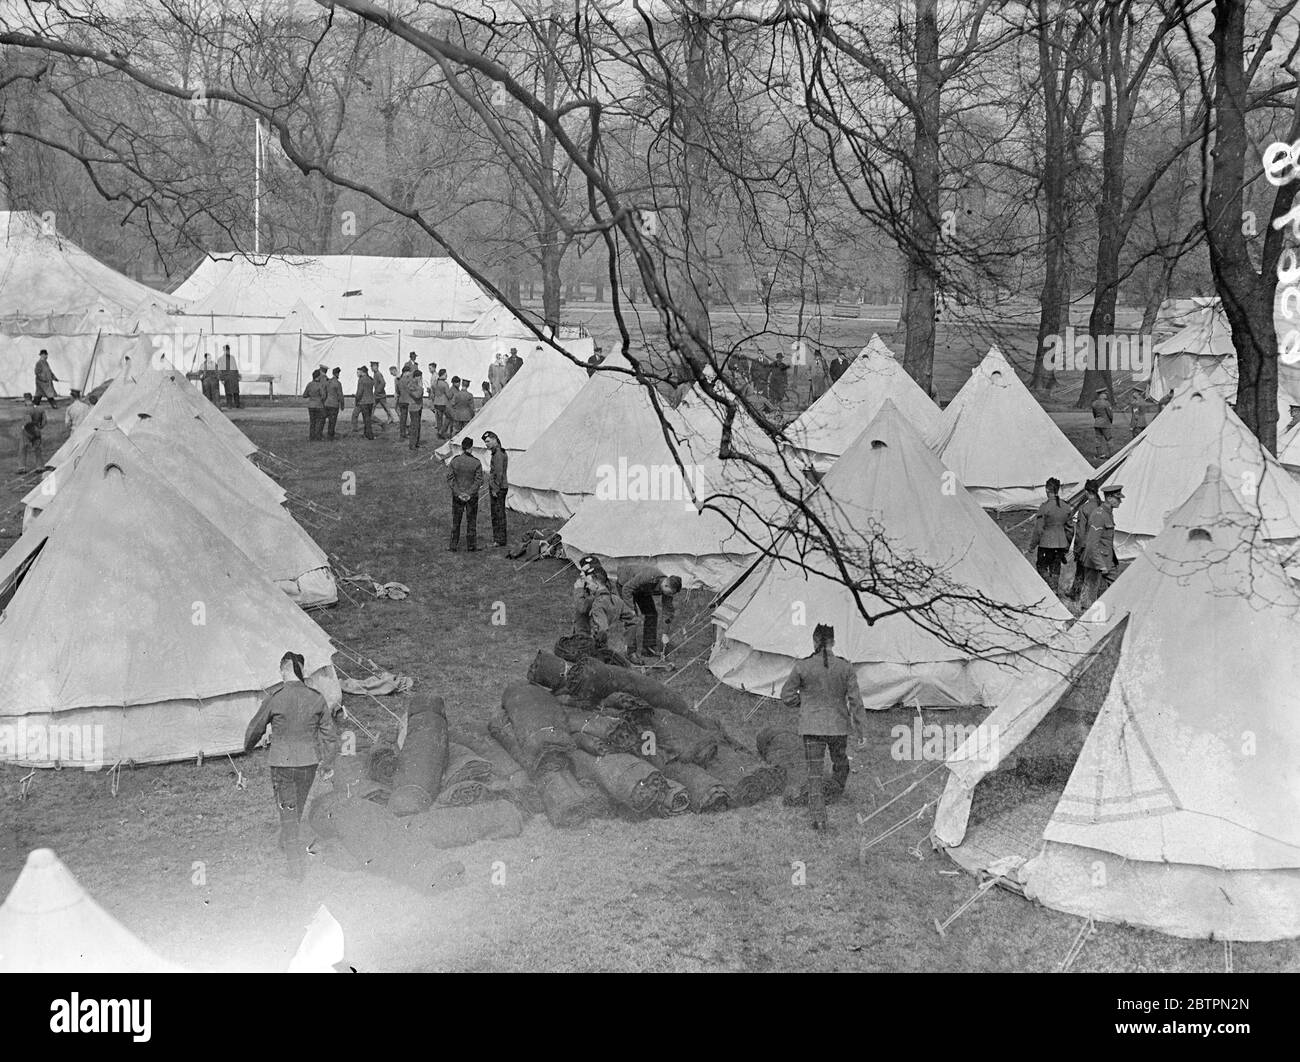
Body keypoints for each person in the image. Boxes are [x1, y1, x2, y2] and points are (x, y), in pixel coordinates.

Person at [243, 651, 340, 881]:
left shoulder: (276, 698)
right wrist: (327, 763)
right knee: (294, 808)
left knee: (288, 812)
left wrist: (247, 747)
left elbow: (255, 728)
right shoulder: (316, 698)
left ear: (283, 670)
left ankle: (295, 869)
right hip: (308, 764)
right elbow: (330, 736)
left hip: (282, 765)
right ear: (301, 670)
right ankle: (286, 842)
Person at [779, 624, 865, 830]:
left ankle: (819, 818)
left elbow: (787, 696)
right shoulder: (846, 667)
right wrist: (861, 731)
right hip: (838, 727)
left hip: (812, 728)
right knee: (841, 762)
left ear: (814, 641)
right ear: (833, 643)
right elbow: (856, 701)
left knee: (814, 774)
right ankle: (835, 791)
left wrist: (805, 705)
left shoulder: (803, 666)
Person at [618, 565, 683, 657]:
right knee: (632, 618)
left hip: (642, 589)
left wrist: (665, 633)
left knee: (652, 614)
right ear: (666, 584)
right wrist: (631, 609)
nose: (670, 595)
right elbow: (626, 589)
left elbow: (668, 612)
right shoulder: (649, 576)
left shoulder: (667, 588)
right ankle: (630, 652)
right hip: (625, 583)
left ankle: (648, 647)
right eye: (670, 592)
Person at [1080, 484, 1125, 609]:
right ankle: (1084, 619)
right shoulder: (1099, 515)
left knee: (1113, 589)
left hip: (1107, 560)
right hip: (1096, 561)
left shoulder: (1108, 513)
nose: (1120, 501)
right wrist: (1101, 565)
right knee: (1089, 594)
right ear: (1109, 498)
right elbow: (1091, 544)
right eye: (1118, 498)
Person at [1028, 477, 1072, 592]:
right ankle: (1055, 591)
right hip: (1061, 544)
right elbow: (1070, 529)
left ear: (1047, 489)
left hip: (1046, 544)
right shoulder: (1066, 507)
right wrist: (1066, 545)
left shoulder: (1044, 507)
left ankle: (1052, 587)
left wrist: (1032, 546)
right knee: (1055, 568)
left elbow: (1038, 530)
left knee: (1041, 567)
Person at [588, 570, 638, 666]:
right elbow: (632, 620)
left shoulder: (597, 604)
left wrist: (598, 647)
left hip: (595, 648)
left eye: (589, 583)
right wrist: (630, 648)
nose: (587, 586)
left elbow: (602, 629)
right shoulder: (616, 599)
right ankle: (631, 653)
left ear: (596, 584)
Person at [1064, 479, 1101, 599]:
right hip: (1099, 545)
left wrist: (1076, 549)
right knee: (1095, 575)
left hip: (1086, 546)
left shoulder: (1084, 508)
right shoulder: (1103, 507)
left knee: (1080, 571)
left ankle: (1075, 594)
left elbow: (1080, 532)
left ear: (1086, 492)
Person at [446, 436, 484, 551]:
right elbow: (479, 481)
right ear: (471, 448)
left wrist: (458, 493)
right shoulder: (476, 463)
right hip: (471, 497)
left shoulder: (455, 461)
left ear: (462, 448)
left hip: (457, 497)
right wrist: (469, 493)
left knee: (456, 522)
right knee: (471, 521)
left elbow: (450, 479)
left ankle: (453, 546)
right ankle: (471, 546)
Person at [483, 431, 509, 548]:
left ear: (495, 439)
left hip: (498, 488)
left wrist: (495, 489)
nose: (486, 444)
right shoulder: (497, 452)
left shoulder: (498, 454)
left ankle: (499, 540)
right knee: (498, 513)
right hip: (500, 487)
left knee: (498, 514)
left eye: (488, 441)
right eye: (485, 442)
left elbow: (498, 473)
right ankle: (499, 539)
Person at [18, 394, 45, 472]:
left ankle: (22, 467)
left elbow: (28, 421)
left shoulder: (26, 409)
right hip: (37, 430)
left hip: (27, 431)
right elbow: (44, 421)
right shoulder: (40, 409)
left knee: (23, 448)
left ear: (25, 399)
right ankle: (40, 466)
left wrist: (25, 428)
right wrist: (40, 427)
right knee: (37, 448)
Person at [1090, 387, 1114, 461]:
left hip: (1097, 423)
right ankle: (1111, 455)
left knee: (1098, 439)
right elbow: (1110, 414)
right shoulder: (1106, 403)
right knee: (1109, 438)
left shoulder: (1094, 403)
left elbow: (1094, 414)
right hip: (1105, 423)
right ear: (1101, 395)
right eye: (1105, 394)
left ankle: (1099, 454)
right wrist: (1110, 421)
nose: (1106, 395)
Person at [405, 368, 425, 451]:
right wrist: (421, 388)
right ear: (416, 377)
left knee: (417, 426)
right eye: (420, 377)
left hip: (418, 407)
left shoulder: (415, 384)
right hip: (414, 408)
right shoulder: (411, 385)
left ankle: (416, 443)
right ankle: (412, 445)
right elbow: (417, 395)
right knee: (414, 427)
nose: (421, 379)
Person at [354, 366, 376, 440]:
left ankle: (369, 435)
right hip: (370, 401)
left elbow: (359, 392)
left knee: (366, 419)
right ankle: (366, 433)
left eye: (359, 371)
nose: (358, 373)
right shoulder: (370, 379)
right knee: (368, 418)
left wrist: (356, 400)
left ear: (363, 372)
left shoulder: (361, 380)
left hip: (363, 401)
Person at [303, 369, 326, 441]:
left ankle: (311, 437)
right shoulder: (320, 385)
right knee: (320, 421)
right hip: (319, 405)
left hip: (311, 405)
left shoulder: (309, 384)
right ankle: (318, 436)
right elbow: (323, 396)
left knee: (312, 422)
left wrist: (311, 395)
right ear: (318, 377)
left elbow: (305, 395)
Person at [370, 360, 394, 425]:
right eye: (371, 367)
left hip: (380, 395)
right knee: (373, 406)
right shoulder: (375, 374)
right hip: (377, 394)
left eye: (373, 367)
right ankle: (371, 417)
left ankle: (391, 418)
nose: (371, 368)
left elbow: (383, 383)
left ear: (376, 367)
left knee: (385, 407)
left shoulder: (378, 374)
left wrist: (378, 390)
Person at [323, 367, 344, 440]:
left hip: (327, 404)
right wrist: (342, 405)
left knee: (323, 420)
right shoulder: (338, 383)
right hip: (334, 405)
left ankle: (320, 434)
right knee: (332, 422)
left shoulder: (328, 382)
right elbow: (340, 395)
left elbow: (324, 393)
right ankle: (330, 436)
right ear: (337, 374)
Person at [218, 344, 241, 408]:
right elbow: (219, 370)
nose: (227, 351)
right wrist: (221, 379)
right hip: (226, 377)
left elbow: (235, 367)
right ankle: (229, 405)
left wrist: (238, 375)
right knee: (228, 392)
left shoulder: (232, 358)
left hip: (234, 377)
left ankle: (237, 405)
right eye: (226, 350)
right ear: (224, 351)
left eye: (228, 350)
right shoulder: (220, 359)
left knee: (236, 392)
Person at [432, 369, 452, 438]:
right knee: (449, 417)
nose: (447, 376)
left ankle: (439, 433)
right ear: (442, 375)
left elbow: (433, 391)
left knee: (439, 419)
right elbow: (448, 395)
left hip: (436, 402)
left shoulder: (435, 383)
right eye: (446, 375)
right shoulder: (445, 384)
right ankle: (442, 431)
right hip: (443, 403)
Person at [393, 365, 411, 439]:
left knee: (403, 418)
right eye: (409, 372)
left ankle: (402, 433)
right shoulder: (408, 381)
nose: (409, 373)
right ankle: (408, 432)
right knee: (408, 417)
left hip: (401, 401)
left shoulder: (399, 381)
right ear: (405, 372)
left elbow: (397, 391)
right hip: (407, 400)